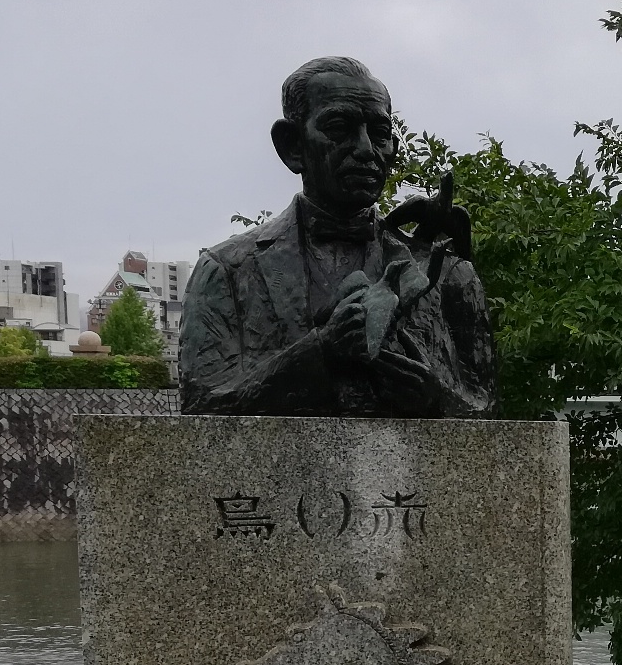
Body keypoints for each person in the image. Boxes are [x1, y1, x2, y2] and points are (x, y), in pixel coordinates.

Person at [178, 56, 495, 416]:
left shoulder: (448, 273)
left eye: (378, 133)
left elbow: (484, 408)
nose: (365, 149)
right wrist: (319, 354)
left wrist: (434, 399)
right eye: (339, 127)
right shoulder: (226, 271)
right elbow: (201, 407)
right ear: (292, 146)